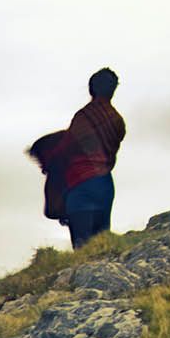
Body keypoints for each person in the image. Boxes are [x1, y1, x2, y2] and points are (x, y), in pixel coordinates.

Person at [56, 67, 125, 246]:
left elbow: (66, 149)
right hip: (104, 185)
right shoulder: (117, 121)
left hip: (80, 185)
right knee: (100, 243)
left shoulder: (82, 117)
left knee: (82, 244)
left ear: (91, 88)